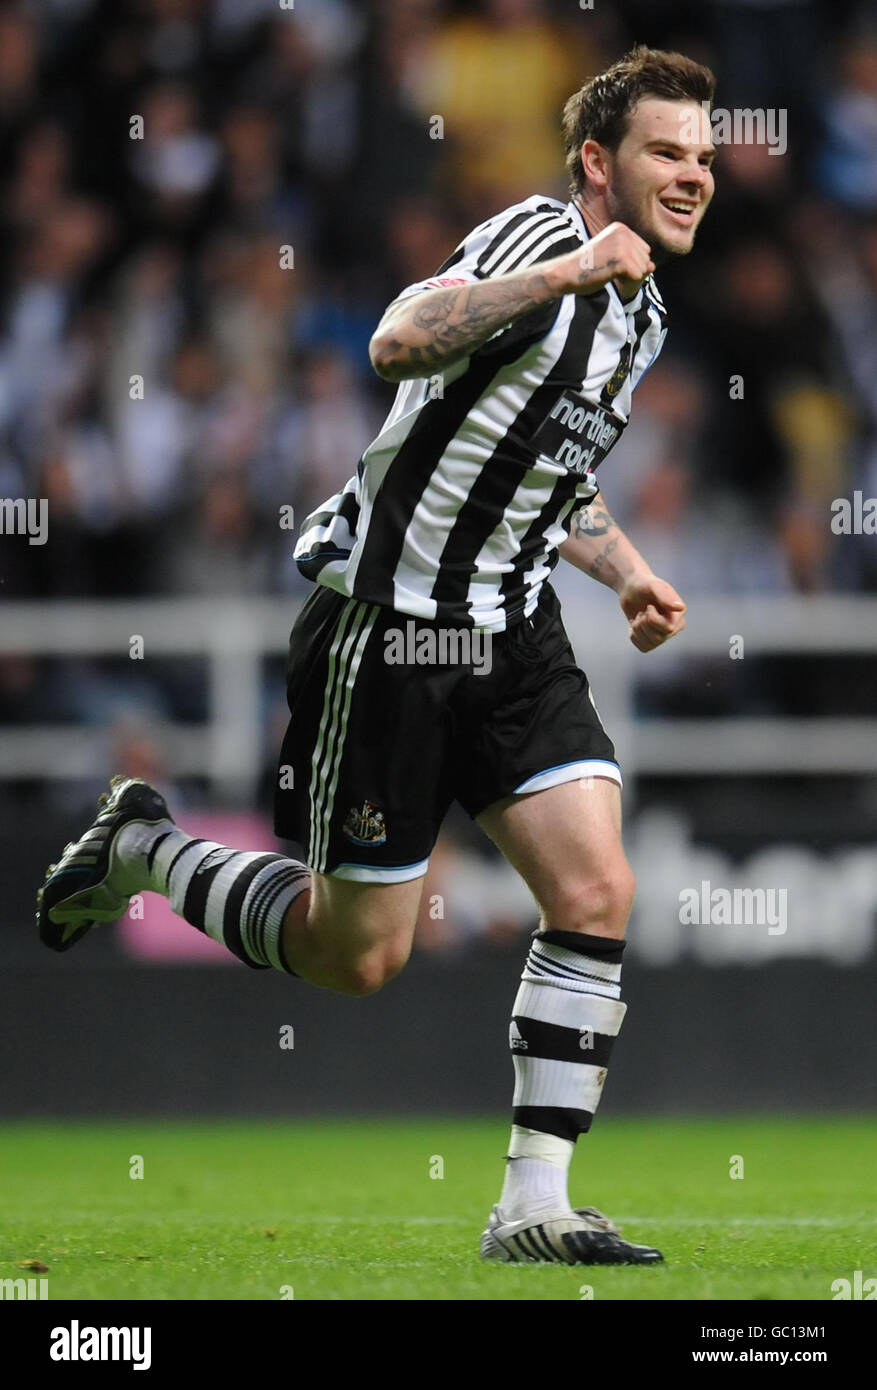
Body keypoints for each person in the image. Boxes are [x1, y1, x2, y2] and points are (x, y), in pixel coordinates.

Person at [38, 46, 715, 1266]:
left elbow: (543, 478)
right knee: (356, 957)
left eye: (705, 156)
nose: (692, 175)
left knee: (596, 890)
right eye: (668, 151)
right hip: (390, 627)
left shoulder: (644, 315)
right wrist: (570, 262)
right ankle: (143, 844)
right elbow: (397, 339)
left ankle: (531, 1206)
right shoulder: (536, 239)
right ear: (597, 162)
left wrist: (625, 574)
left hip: (510, 631)